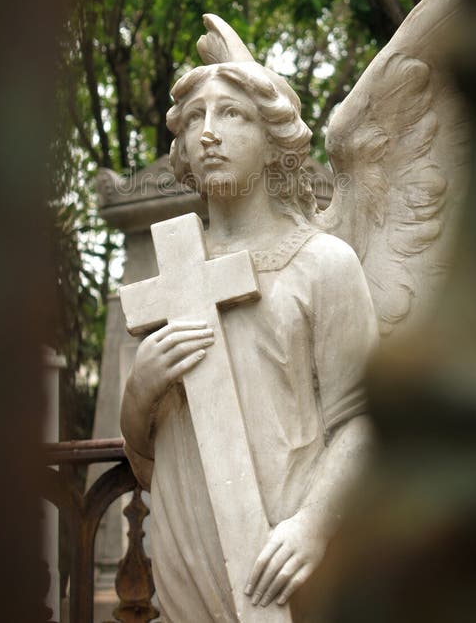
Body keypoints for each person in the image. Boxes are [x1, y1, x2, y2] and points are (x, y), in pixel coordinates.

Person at [121, 56, 378, 622]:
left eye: (231, 113)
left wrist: (312, 524)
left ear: (272, 139)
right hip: (186, 527)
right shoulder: (170, 282)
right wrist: (140, 387)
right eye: (193, 118)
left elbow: (364, 419)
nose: (208, 131)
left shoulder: (322, 264)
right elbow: (144, 457)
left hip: (285, 541)